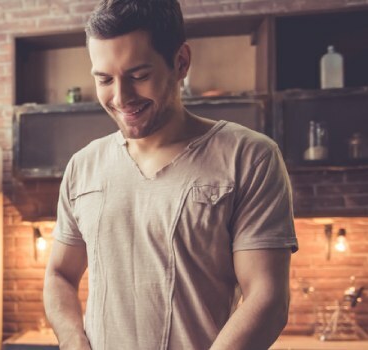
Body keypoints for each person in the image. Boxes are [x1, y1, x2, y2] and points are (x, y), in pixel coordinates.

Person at [42, 1, 298, 349]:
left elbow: (267, 299)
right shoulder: (83, 166)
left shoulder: (250, 157)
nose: (120, 97)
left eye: (138, 76)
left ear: (180, 63)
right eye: (104, 79)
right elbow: (60, 274)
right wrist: (73, 341)